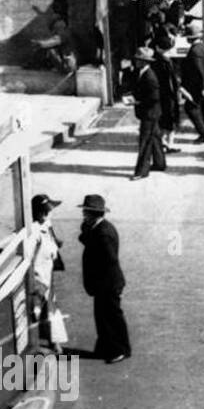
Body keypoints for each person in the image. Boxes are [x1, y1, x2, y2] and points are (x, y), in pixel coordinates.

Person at [79, 194, 130, 364]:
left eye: (85, 212)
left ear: (93, 214)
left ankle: (118, 350)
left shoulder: (103, 233)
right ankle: (106, 347)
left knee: (110, 317)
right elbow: (86, 240)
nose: (83, 215)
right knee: (103, 317)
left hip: (107, 284)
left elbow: (110, 261)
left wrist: (103, 284)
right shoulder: (98, 228)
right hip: (105, 283)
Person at [29, 194, 65, 352]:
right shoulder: (34, 231)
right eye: (48, 211)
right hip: (38, 276)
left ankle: (54, 341)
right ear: (40, 213)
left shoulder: (47, 224)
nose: (50, 214)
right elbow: (29, 256)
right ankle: (36, 345)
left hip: (47, 273)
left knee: (51, 307)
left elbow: (51, 243)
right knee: (36, 310)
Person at [131, 47, 167, 180]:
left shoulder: (150, 76)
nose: (136, 62)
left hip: (150, 113)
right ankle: (159, 163)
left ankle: (141, 171)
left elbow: (154, 98)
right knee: (155, 138)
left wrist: (137, 102)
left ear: (144, 62)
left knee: (145, 142)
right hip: (151, 112)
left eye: (138, 60)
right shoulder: (142, 72)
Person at [180, 20, 204, 143]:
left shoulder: (194, 52)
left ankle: (203, 132)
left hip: (200, 85)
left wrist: (202, 88)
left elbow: (199, 70)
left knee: (191, 107)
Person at [152, 33, 181, 156]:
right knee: (170, 120)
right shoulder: (167, 62)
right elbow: (173, 81)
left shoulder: (155, 61)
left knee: (163, 120)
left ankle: (164, 143)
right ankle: (168, 144)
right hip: (169, 96)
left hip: (161, 96)